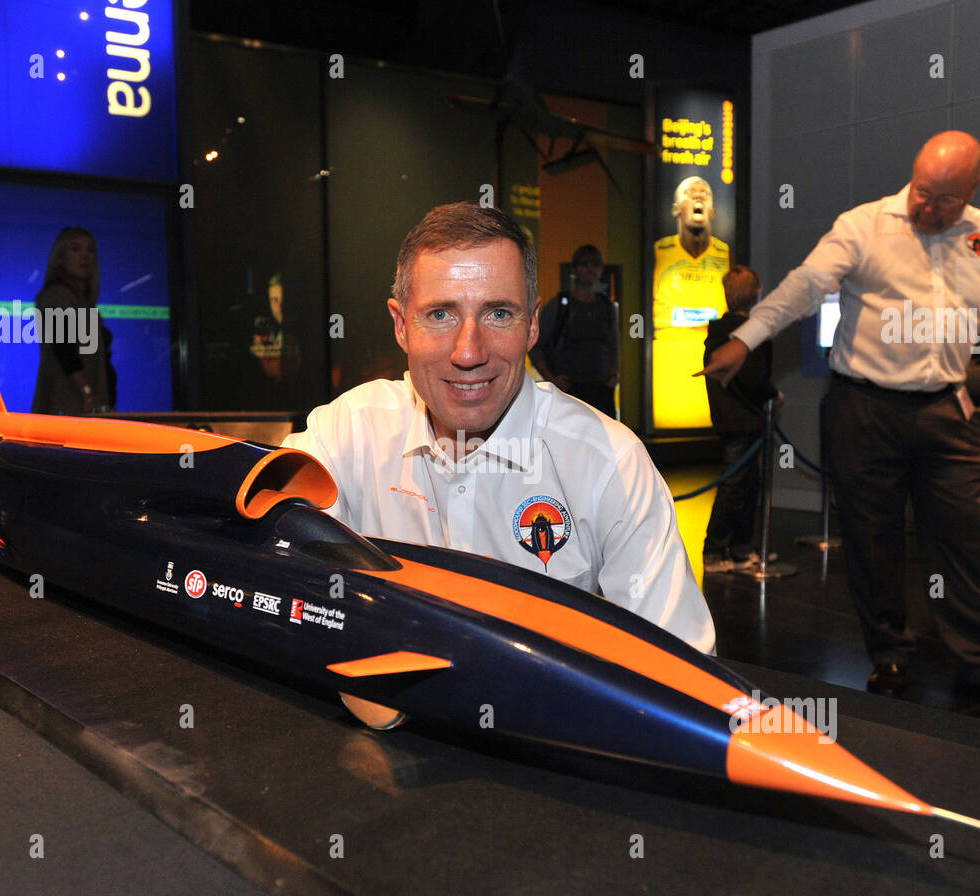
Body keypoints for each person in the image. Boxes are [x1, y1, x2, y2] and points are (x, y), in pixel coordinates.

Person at [281, 202, 714, 655]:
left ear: (532, 326)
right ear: (400, 325)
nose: (468, 352)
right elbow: (268, 568)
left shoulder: (609, 462)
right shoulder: (348, 432)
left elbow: (682, 664)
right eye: (440, 315)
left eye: (499, 314)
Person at [702, 131, 980, 704]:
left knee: (966, 541)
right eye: (922, 191)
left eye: (944, 199)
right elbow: (803, 288)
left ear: (973, 190)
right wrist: (744, 339)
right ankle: (889, 658)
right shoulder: (863, 225)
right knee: (872, 541)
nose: (926, 207)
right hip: (864, 408)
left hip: (945, 407)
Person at [697, 265, 779, 572]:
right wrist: (772, 393)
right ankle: (715, 551)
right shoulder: (750, 335)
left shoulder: (715, 333)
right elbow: (754, 378)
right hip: (745, 419)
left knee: (744, 484)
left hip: (729, 418)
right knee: (736, 485)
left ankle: (741, 550)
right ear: (757, 293)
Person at [31, 226, 115, 415]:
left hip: (82, 406)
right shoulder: (56, 296)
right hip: (68, 406)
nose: (85, 256)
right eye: (75, 249)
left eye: (90, 250)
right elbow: (63, 346)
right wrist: (87, 390)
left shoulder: (84, 301)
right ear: (60, 257)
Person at [530, 244, 619, 418]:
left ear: (601, 269)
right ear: (575, 269)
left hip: (602, 390)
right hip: (569, 389)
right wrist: (552, 379)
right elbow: (535, 345)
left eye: (595, 265)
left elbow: (613, 344)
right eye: (584, 264)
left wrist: (613, 375)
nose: (590, 269)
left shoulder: (607, 307)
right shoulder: (559, 305)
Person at [653, 176, 732, 336]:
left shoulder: (726, 254)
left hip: (713, 350)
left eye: (705, 193)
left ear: (712, 211)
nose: (699, 196)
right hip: (668, 349)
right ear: (676, 209)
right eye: (690, 192)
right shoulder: (659, 251)